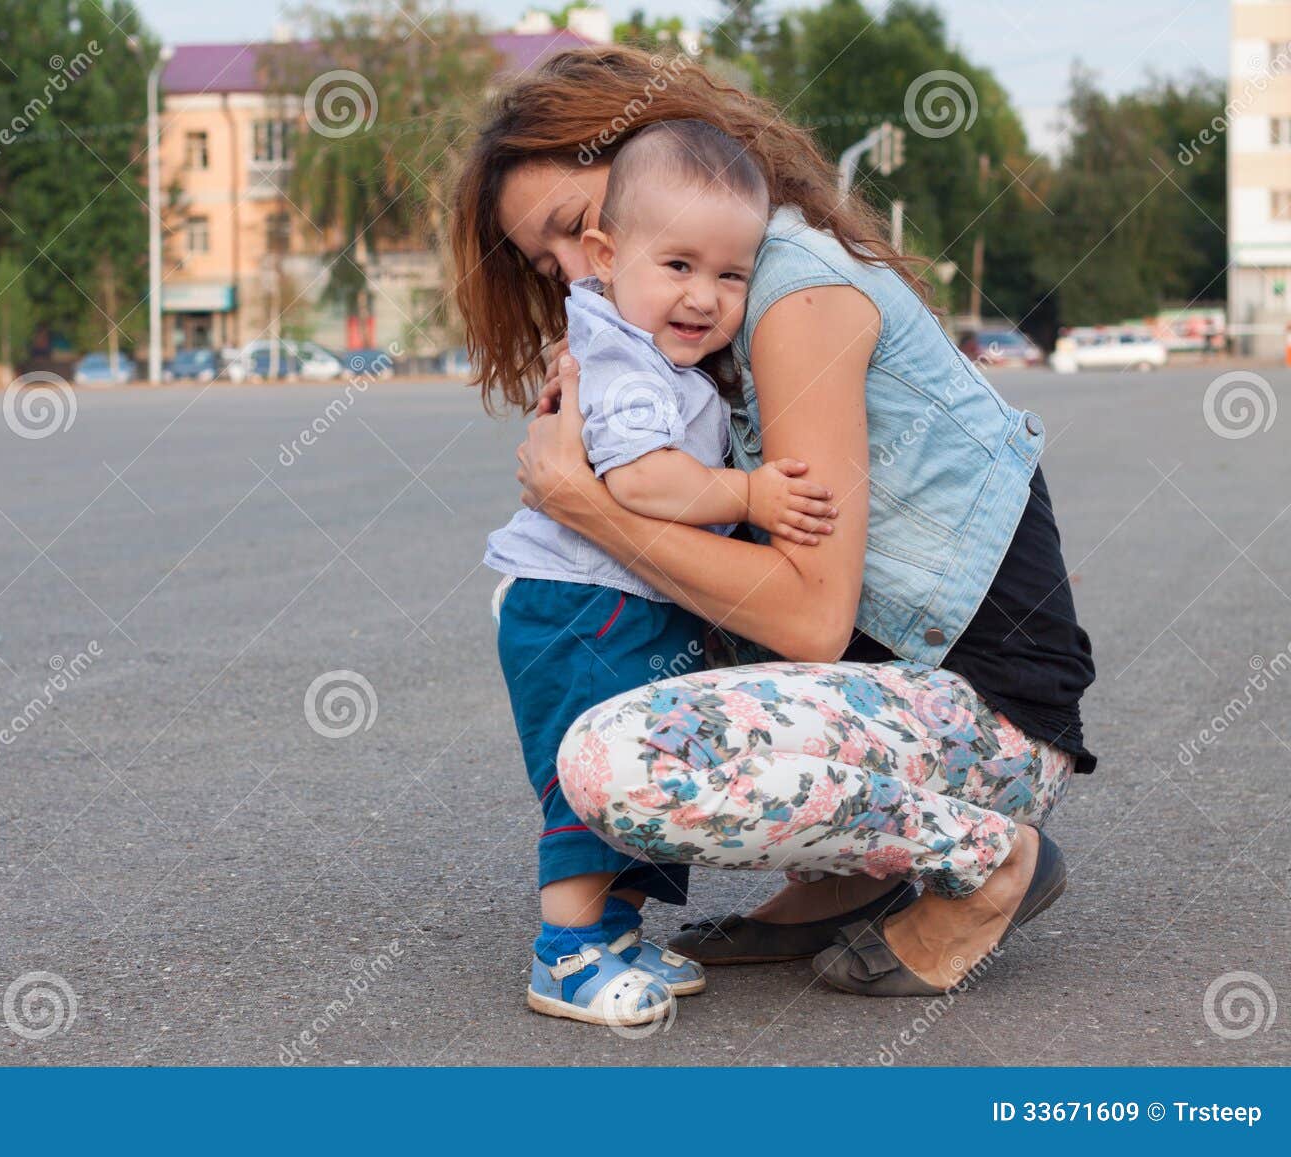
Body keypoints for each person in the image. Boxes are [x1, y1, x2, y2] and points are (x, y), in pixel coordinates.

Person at [450, 46, 1095, 998]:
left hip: (985, 721)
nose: (572, 275)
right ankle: (837, 879)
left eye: (570, 229)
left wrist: (584, 500)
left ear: (645, 159)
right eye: (550, 264)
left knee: (613, 756)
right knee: (586, 630)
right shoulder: (689, 319)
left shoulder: (792, 292)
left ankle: (992, 858)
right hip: (897, 700)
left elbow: (808, 621)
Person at [485, 121, 837, 1026]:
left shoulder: (642, 348)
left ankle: (618, 933)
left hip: (627, 596)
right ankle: (565, 954)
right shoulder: (625, 361)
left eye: (731, 274)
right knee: (590, 764)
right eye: (678, 266)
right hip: (582, 606)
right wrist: (750, 492)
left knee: (648, 757)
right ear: (611, 254)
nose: (705, 296)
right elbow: (642, 477)